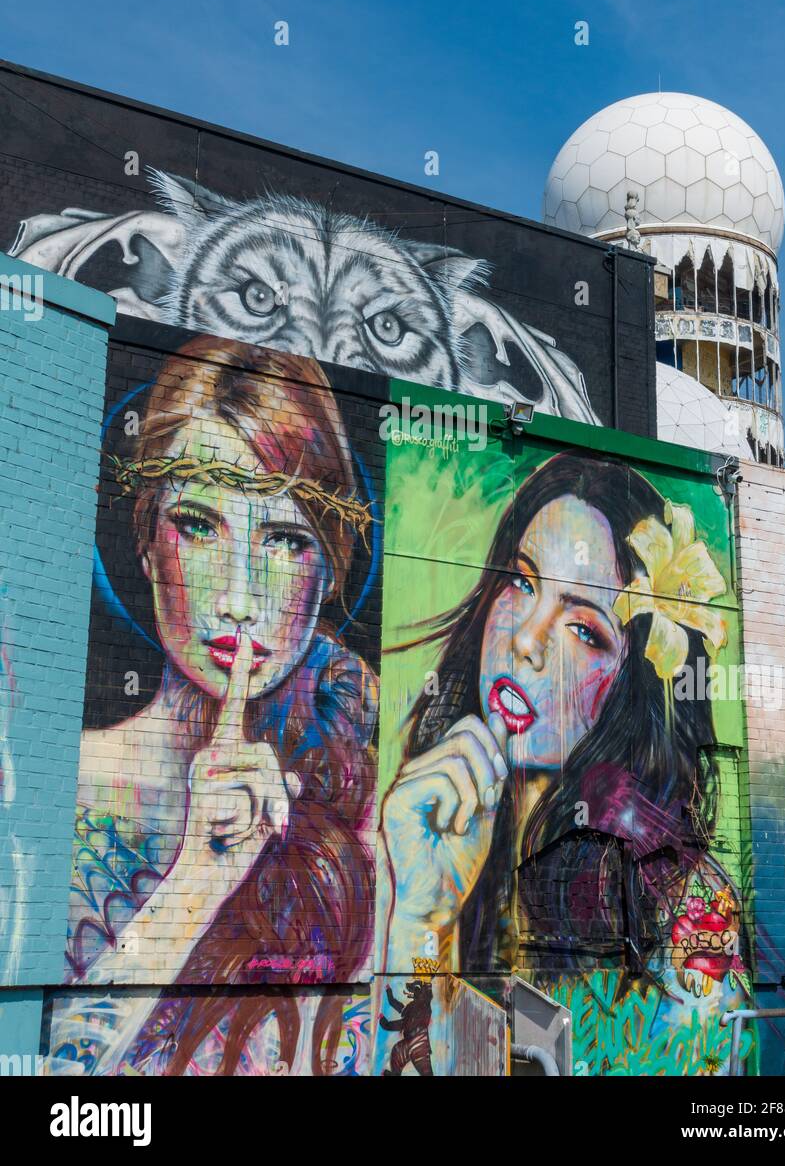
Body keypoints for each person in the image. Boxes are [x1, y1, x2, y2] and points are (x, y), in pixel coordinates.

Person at [52, 337, 377, 1076]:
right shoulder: (62, 790)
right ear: (144, 541)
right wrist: (196, 880)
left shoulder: (360, 804)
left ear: (328, 571)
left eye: (287, 539)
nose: (239, 599)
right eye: (197, 527)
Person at [379, 451, 748, 1027]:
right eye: (522, 582)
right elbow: (411, 1058)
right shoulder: (438, 833)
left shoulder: (680, 900)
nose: (528, 638)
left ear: (632, 690)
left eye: (583, 629)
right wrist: (421, 924)